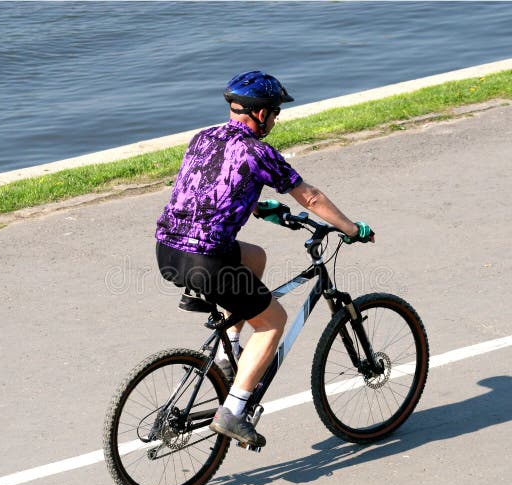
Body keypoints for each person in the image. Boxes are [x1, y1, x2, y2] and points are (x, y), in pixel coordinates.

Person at [155, 71, 374, 448]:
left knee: (255, 256)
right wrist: (352, 229)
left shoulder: (203, 139)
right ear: (258, 113)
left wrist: (256, 207)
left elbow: (205, 189)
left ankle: (231, 350)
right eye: (274, 111)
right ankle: (233, 412)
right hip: (208, 262)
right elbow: (311, 198)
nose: (276, 118)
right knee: (273, 322)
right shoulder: (259, 152)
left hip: (168, 252)